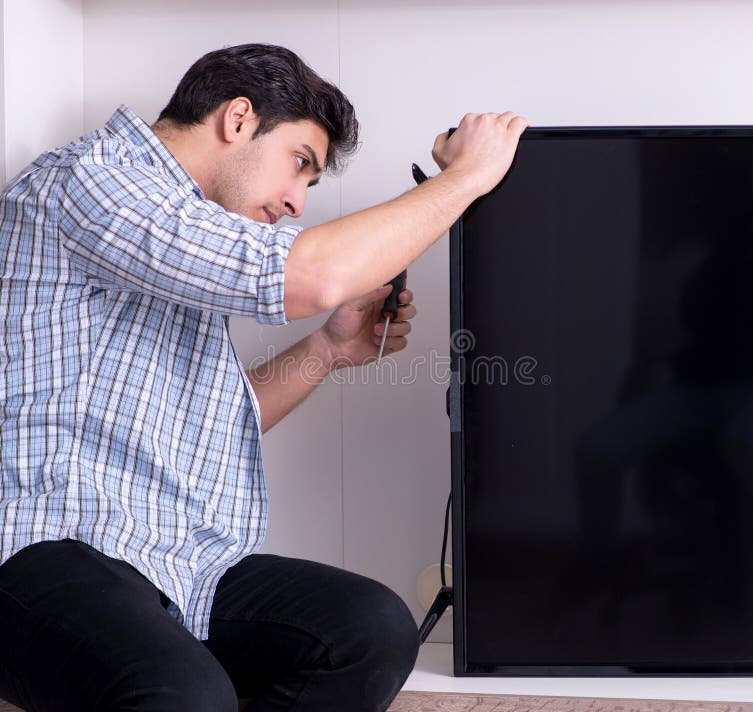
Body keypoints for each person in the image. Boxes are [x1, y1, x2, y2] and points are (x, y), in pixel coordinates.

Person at [0, 43, 527, 711]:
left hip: (167, 559)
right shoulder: (92, 181)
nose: (295, 201)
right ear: (238, 118)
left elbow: (216, 418)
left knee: (368, 629)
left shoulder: (181, 241)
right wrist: (466, 178)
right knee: (187, 692)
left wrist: (330, 348)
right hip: (39, 552)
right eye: (300, 165)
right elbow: (315, 275)